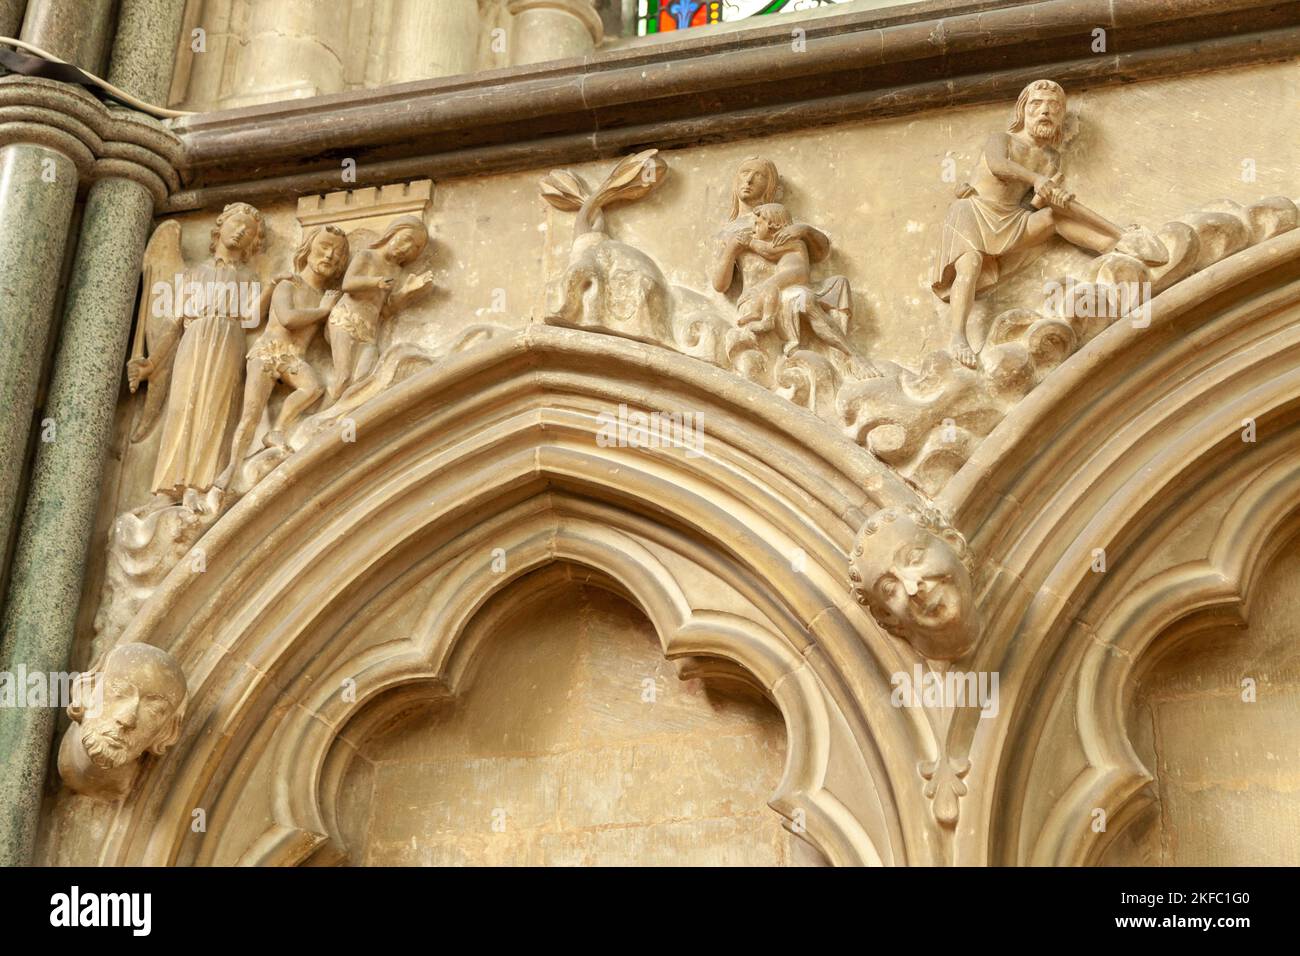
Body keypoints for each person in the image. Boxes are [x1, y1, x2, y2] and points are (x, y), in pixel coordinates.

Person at [216, 225, 349, 489]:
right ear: (307, 250)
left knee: (313, 388)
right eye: (324, 247)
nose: (329, 256)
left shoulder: (324, 297)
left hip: (292, 358)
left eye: (337, 254)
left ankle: (276, 430)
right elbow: (288, 319)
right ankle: (230, 469)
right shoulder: (288, 284)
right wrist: (323, 312)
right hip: (268, 353)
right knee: (251, 414)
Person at [326, 215, 434, 401]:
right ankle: (319, 419)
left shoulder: (396, 271)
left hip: (368, 331)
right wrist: (376, 282)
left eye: (414, 249)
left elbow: (385, 310)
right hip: (345, 319)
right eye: (406, 238)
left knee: (363, 378)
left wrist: (407, 291)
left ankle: (342, 415)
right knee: (343, 377)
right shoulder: (367, 255)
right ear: (392, 232)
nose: (407, 249)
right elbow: (348, 285)